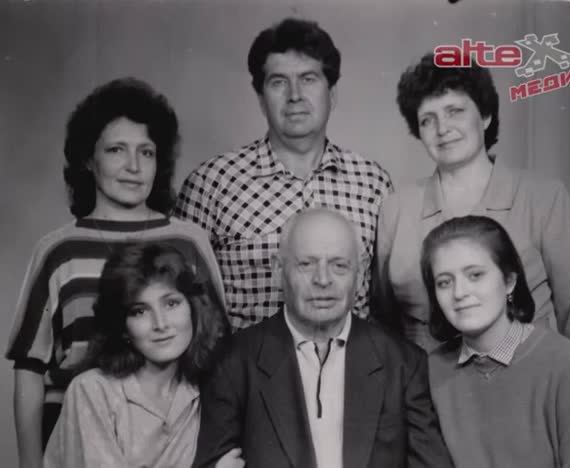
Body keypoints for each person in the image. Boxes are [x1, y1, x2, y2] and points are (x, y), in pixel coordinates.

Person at [5, 77, 227, 468]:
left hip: (171, 437)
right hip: (76, 435)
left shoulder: (188, 241)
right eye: (116, 150)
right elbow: (30, 368)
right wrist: (28, 464)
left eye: (147, 152)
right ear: (88, 160)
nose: (134, 167)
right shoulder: (57, 250)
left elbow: (216, 345)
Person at [372, 52, 570, 393]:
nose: (442, 129)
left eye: (455, 111)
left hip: (526, 396)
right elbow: (382, 327)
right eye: (427, 119)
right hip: (425, 402)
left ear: (485, 116)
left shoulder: (543, 198)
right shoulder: (396, 208)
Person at [191, 208, 453, 468]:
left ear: (359, 273)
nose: (323, 279)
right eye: (306, 264)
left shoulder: (404, 363)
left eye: (339, 266)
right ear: (278, 269)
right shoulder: (233, 363)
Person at [176, 18, 392, 332]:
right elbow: (179, 300)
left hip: (351, 362)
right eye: (278, 82)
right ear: (261, 99)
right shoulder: (211, 184)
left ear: (332, 93)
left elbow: (386, 307)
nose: (294, 95)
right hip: (244, 362)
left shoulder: (373, 184)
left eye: (308, 79)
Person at [420, 215, 570, 468]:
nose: (459, 293)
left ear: (509, 281)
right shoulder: (430, 371)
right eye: (444, 282)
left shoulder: (566, 365)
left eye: (475, 275)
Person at [43, 243, 240, 468]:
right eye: (139, 311)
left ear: (193, 309)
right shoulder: (91, 390)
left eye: (171, 303)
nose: (160, 324)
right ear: (122, 327)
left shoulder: (205, 389)